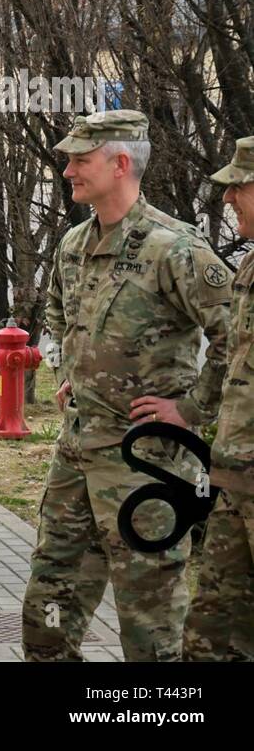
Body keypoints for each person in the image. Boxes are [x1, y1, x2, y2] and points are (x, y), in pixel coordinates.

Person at [21, 109, 231, 662]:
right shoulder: (73, 243)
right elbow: (59, 312)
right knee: (47, 610)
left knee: (150, 624)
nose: (67, 171)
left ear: (119, 164)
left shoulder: (173, 248)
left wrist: (190, 409)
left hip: (147, 466)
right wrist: (66, 370)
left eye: (79, 160)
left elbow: (239, 335)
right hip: (76, 458)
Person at [183, 136, 254, 660]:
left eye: (239, 188)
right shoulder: (249, 270)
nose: (227, 200)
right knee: (213, 627)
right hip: (235, 476)